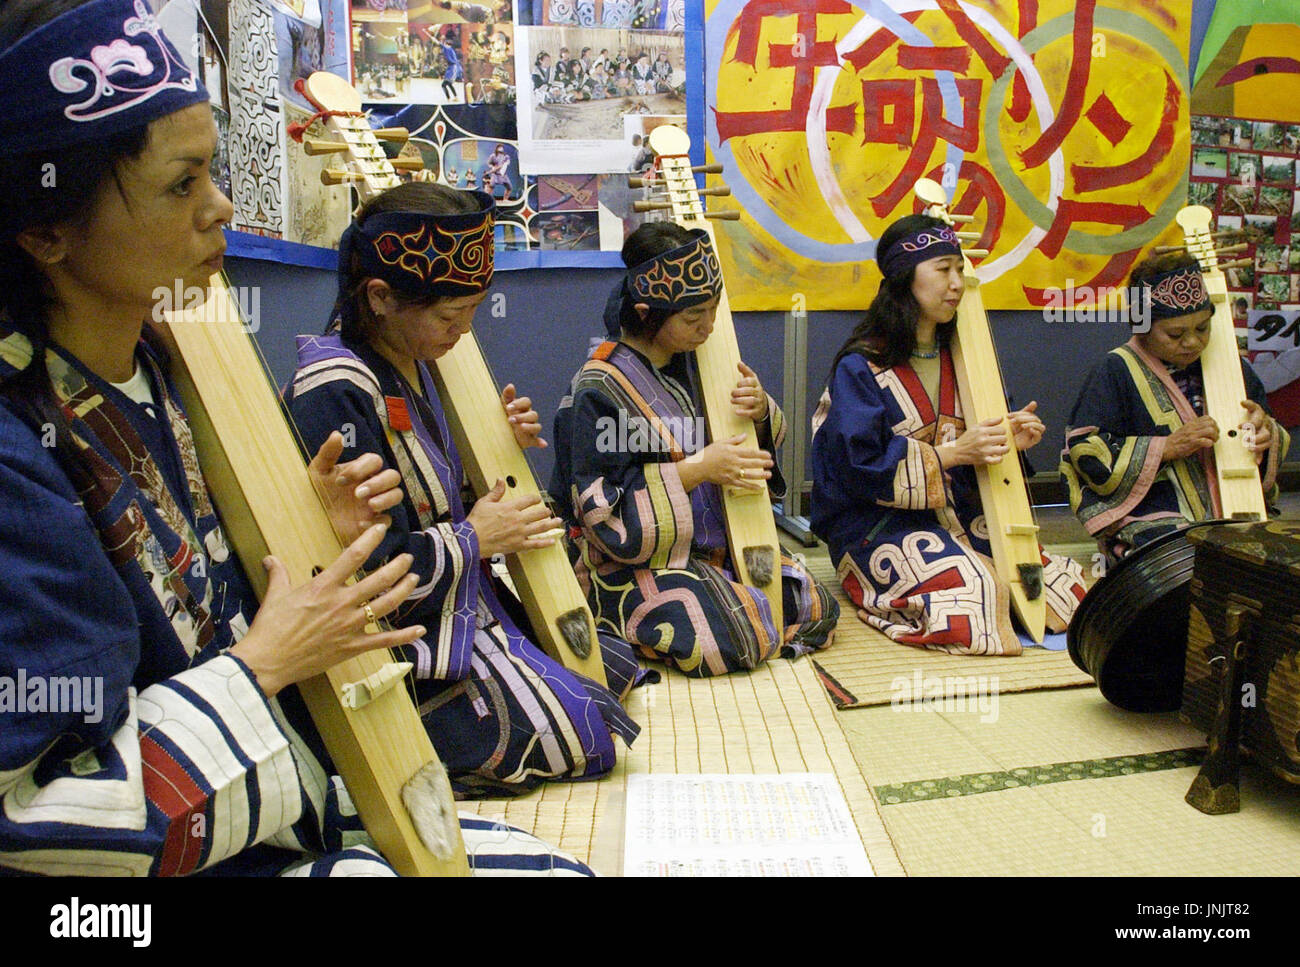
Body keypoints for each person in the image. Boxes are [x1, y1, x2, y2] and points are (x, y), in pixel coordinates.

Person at [0, 0, 592, 876]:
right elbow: (37, 820)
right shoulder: (20, 446)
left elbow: (192, 604)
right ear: (48, 229)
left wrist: (304, 529)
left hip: (263, 791)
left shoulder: (160, 374)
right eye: (181, 183)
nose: (221, 208)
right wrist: (268, 658)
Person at [284, 182, 644, 797]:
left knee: (608, 663)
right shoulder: (334, 389)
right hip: (400, 640)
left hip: (456, 603)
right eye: (452, 317)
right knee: (583, 735)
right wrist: (478, 536)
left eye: (475, 311)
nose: (466, 332)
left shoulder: (410, 360)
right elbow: (364, 565)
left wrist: (493, 443)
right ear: (380, 296)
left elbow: (433, 493)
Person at [550, 222, 838, 677]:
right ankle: (634, 609)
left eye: (714, 311)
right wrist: (700, 468)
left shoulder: (700, 361)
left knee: (815, 605)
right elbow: (601, 508)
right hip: (636, 559)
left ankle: (726, 587)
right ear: (646, 312)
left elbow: (746, 439)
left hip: (716, 544)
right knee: (733, 634)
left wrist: (760, 410)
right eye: (692, 317)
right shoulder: (599, 387)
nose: (708, 327)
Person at [810, 215, 1086, 656]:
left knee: (1055, 585)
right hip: (879, 522)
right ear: (905, 278)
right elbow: (852, 467)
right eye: (943, 270)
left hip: (961, 511)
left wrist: (1009, 441)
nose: (957, 283)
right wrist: (954, 453)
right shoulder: (861, 366)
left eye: (960, 269)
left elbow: (984, 448)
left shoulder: (967, 359)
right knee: (974, 592)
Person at [1061, 252, 1290, 561]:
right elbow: (1086, 450)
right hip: (1154, 518)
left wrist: (1265, 435)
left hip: (1238, 506)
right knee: (1185, 565)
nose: (1193, 343)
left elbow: (1265, 424)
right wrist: (1166, 447)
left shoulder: (1233, 367)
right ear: (1141, 325)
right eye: (1176, 334)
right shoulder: (1115, 369)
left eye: (1202, 328)